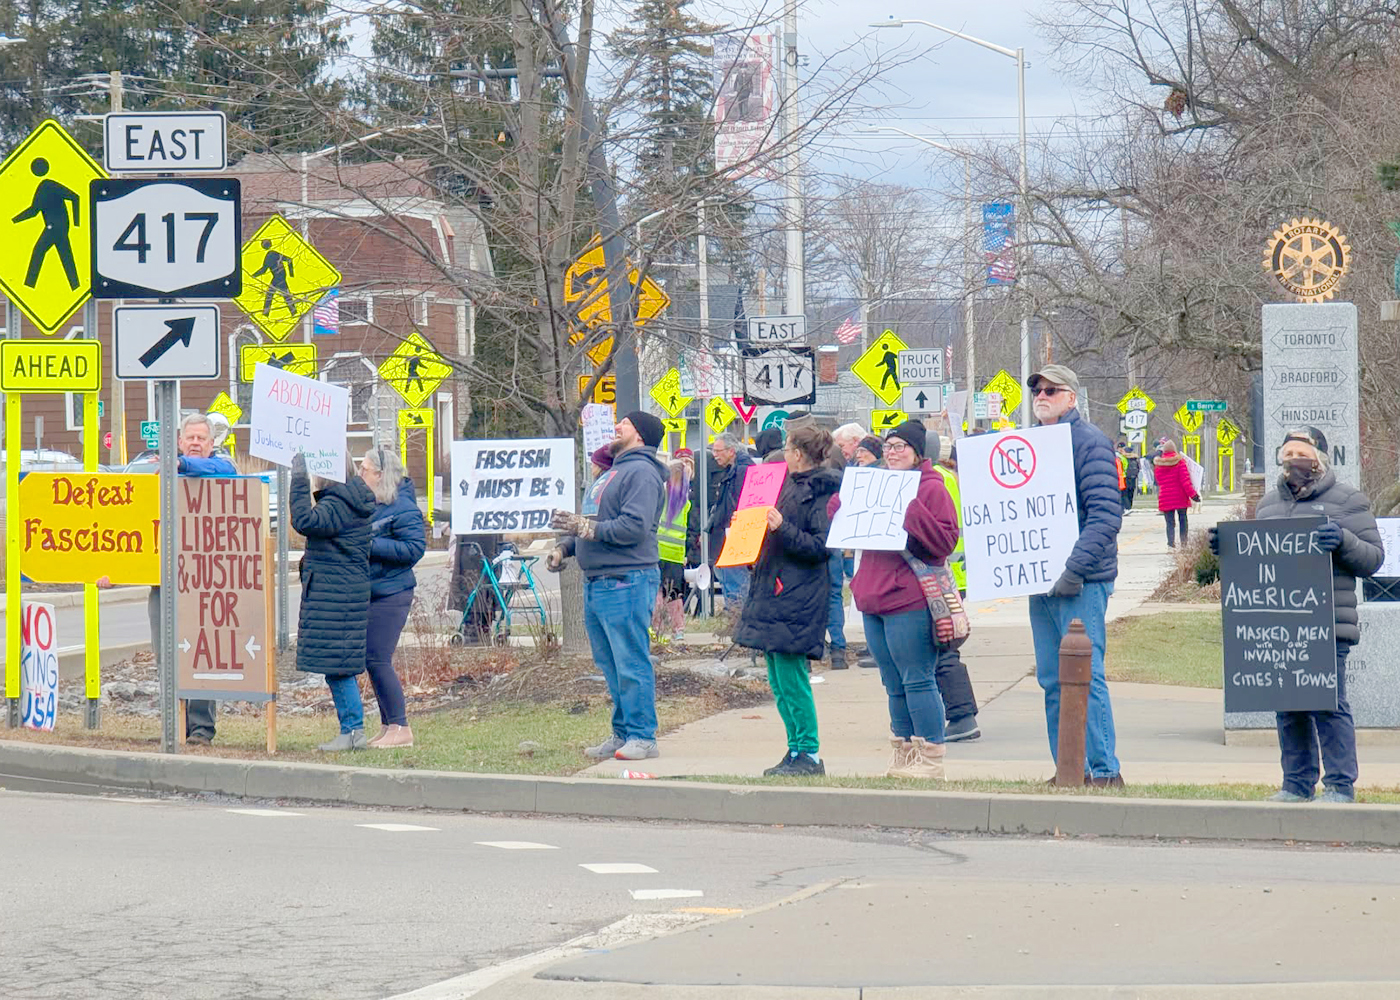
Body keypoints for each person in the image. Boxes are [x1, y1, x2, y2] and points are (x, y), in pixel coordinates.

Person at [1210, 427, 1384, 803]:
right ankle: (1296, 783)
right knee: (1288, 706)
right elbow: (1257, 562)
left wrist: (1343, 541)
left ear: (1319, 457)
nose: (1293, 461)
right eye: (1286, 454)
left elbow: (1373, 559)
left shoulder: (1349, 501)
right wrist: (1225, 549)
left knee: (1329, 704)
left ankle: (1340, 784)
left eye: (1301, 453)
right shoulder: (1268, 505)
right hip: (1279, 625)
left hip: (1329, 622)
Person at [830, 420, 960, 780]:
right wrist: (842, 504)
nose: (892, 452)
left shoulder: (932, 487)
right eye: (888, 446)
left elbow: (944, 543)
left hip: (909, 599)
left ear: (918, 452)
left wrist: (910, 510)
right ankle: (903, 754)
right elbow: (841, 522)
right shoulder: (872, 480)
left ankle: (931, 758)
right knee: (893, 683)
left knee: (917, 679)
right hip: (872, 596)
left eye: (900, 446)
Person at [1025, 365, 1124, 786]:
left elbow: (1105, 517)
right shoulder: (1025, 445)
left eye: (1052, 390)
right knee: (1051, 678)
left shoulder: (1091, 443)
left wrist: (1073, 569)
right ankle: (1070, 769)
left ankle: (1105, 772)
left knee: (1086, 675)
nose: (1042, 395)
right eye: (1037, 390)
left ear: (1072, 398)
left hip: (1081, 581)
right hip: (1039, 581)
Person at [550, 411, 667, 761]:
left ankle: (643, 737)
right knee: (611, 664)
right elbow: (597, 524)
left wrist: (587, 529)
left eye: (625, 424)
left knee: (630, 662)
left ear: (641, 435)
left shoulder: (642, 473)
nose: (617, 427)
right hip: (599, 581)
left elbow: (633, 527)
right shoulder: (614, 472)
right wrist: (566, 546)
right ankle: (622, 733)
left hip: (626, 580)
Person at [120, 414, 237, 745]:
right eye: (191, 438)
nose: (197, 442)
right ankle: (174, 724)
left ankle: (201, 728)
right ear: (180, 441)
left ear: (212, 444)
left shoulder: (222, 468)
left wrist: (182, 464)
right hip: (164, 581)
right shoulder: (160, 478)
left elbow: (226, 471)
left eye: (203, 438)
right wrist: (112, 571)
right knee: (166, 656)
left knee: (202, 653)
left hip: (205, 582)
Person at [735, 424, 843, 775]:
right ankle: (794, 747)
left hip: (799, 594)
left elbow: (819, 547)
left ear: (798, 453)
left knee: (793, 678)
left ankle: (809, 752)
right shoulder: (783, 485)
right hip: (773, 586)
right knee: (778, 680)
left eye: (787, 445)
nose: (784, 450)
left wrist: (782, 527)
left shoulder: (821, 492)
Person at [290, 451, 377, 751]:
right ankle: (351, 731)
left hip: (336, 596)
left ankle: (353, 732)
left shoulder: (337, 503)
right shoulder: (349, 501)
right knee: (337, 666)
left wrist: (298, 478)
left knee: (338, 667)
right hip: (342, 593)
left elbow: (304, 520)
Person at [359, 447, 426, 748]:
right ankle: (388, 726)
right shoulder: (372, 505)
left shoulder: (403, 508)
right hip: (373, 590)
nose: (360, 474)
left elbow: (414, 550)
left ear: (381, 475)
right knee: (371, 660)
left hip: (393, 592)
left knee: (378, 658)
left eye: (366, 469)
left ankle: (401, 727)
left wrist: (372, 546)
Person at [931, 436, 980, 742]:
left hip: (941, 575)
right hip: (951, 574)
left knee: (941, 650)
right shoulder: (950, 476)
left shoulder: (936, 479)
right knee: (941, 648)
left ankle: (962, 716)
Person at [708, 431, 755, 611]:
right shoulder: (733, 469)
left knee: (736, 586)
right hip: (729, 535)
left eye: (718, 450)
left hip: (736, 536)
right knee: (731, 581)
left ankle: (737, 623)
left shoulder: (742, 471)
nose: (715, 454)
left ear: (731, 451)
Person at [655, 458, 696, 641]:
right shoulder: (686, 503)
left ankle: (657, 628)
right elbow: (690, 530)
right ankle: (678, 630)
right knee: (674, 594)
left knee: (657, 592)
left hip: (656, 551)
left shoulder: (660, 497)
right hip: (676, 554)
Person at [1153, 439, 1199, 548]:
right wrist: (1194, 495)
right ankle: (1184, 543)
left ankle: (1171, 544)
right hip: (1180, 496)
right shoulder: (1180, 462)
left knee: (1169, 523)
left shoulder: (1159, 465)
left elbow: (1159, 481)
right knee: (1183, 520)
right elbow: (1185, 482)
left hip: (1165, 496)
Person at [1117, 442, 1139, 513]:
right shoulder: (1135, 458)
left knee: (1124, 494)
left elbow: (1123, 467)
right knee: (1130, 493)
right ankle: (1129, 507)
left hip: (1124, 477)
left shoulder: (1122, 458)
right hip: (1133, 478)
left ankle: (1126, 508)